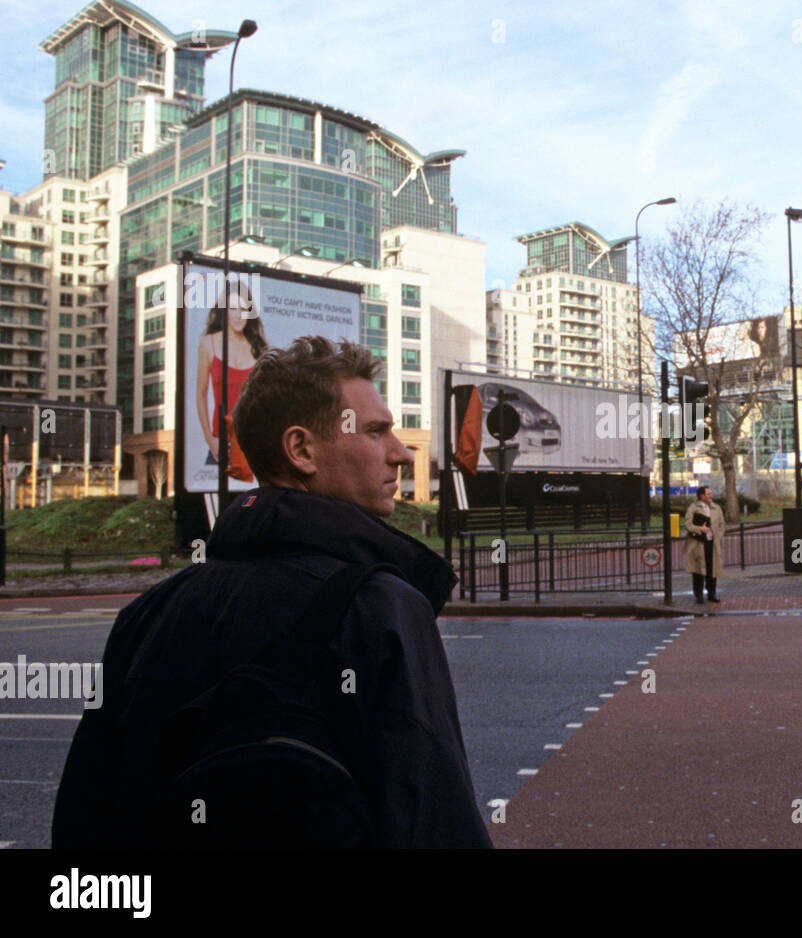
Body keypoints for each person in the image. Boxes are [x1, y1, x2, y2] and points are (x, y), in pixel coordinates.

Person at [53, 336, 491, 849]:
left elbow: (86, 821)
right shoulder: (379, 608)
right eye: (376, 432)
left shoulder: (147, 614)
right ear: (301, 449)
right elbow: (433, 822)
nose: (399, 453)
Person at [195, 292, 268, 482]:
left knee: (252, 505)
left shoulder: (259, 348)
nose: (238, 315)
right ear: (223, 312)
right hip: (221, 444)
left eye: (243, 309)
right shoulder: (208, 343)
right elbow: (200, 394)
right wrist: (209, 439)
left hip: (253, 445)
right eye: (233, 308)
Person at [683, 485, 725, 603]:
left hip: (713, 543)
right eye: (708, 494)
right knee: (698, 570)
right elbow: (688, 524)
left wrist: (718, 535)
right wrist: (699, 529)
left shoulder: (716, 508)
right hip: (698, 543)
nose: (710, 496)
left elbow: (722, 524)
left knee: (712, 569)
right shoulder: (693, 508)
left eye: (710, 493)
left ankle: (712, 593)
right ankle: (698, 594)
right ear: (701, 496)